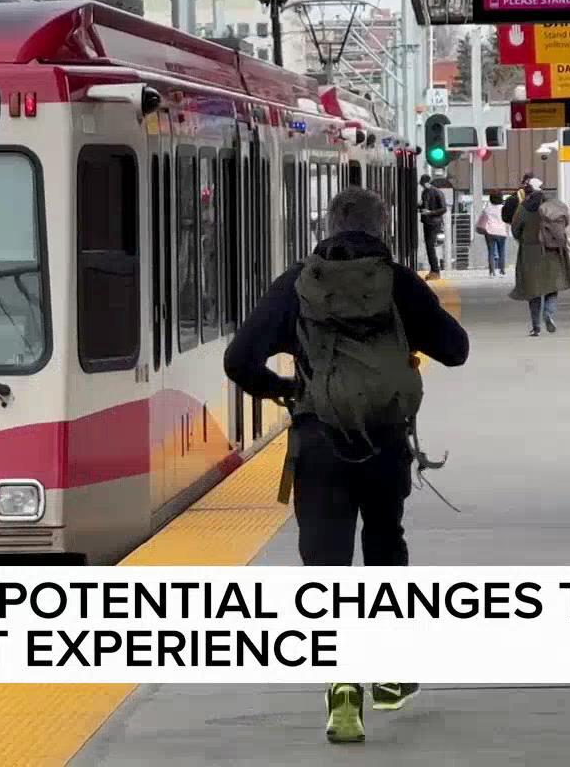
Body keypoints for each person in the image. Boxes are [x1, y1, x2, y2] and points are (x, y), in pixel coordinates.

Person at [223, 186, 469, 744]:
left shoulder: (297, 284)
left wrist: (285, 388)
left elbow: (239, 360)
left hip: (318, 441)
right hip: (383, 441)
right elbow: (456, 349)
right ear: (382, 227)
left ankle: (340, 689)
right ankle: (387, 674)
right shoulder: (398, 281)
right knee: (385, 546)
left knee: (327, 565)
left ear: (327, 226)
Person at [511, 183, 570, 336]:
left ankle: (536, 326)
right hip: (552, 250)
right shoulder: (555, 207)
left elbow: (515, 230)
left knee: (533, 291)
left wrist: (524, 237)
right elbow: (565, 223)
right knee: (552, 286)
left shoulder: (524, 209)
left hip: (530, 252)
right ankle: (548, 312)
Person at [416, 177, 446, 279]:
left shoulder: (437, 192)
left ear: (427, 182)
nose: (422, 186)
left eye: (423, 184)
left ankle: (435, 270)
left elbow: (443, 208)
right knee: (429, 247)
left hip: (434, 223)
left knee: (430, 246)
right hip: (426, 222)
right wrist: (420, 206)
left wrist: (430, 213)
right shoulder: (424, 192)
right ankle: (433, 270)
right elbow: (424, 205)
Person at [474, 193, 509, 277]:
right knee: (502, 251)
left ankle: (492, 272)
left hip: (490, 232)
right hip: (501, 232)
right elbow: (507, 220)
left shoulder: (487, 209)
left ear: (491, 199)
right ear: (501, 198)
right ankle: (502, 270)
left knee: (491, 252)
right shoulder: (504, 208)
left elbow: (482, 220)